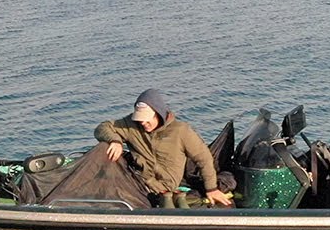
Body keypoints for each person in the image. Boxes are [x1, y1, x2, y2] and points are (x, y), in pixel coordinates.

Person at [95, 89, 233, 208]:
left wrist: (212, 189)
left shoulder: (181, 131)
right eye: (139, 119)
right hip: (139, 181)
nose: (143, 122)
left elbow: (204, 158)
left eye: (147, 118)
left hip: (164, 187)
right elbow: (102, 128)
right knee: (103, 151)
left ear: (159, 113)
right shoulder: (132, 126)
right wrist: (115, 141)